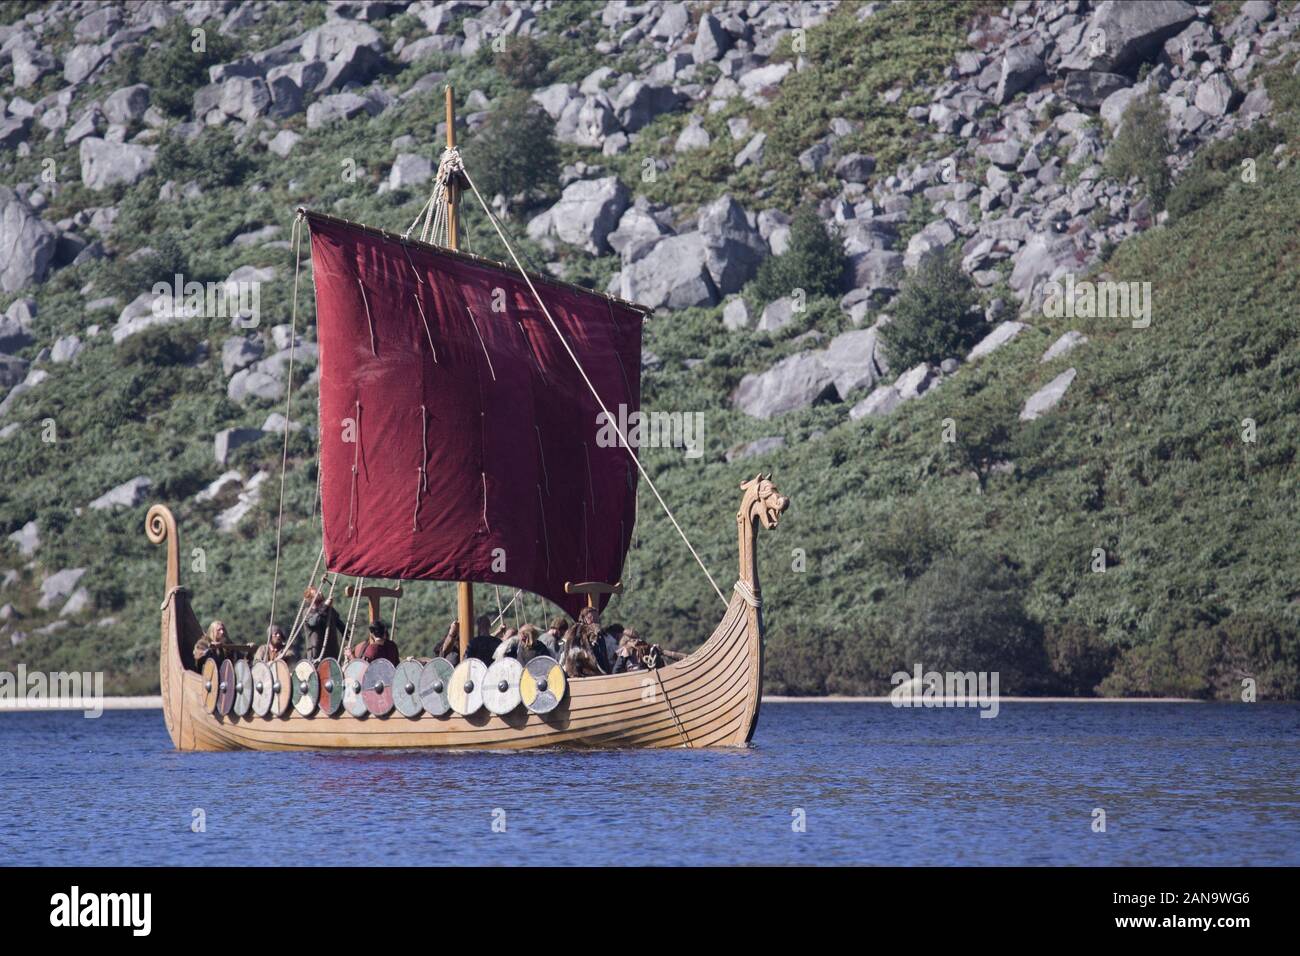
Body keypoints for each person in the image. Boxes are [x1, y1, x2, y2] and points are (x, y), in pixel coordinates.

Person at [302, 586, 342, 661]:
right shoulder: (307, 612)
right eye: (317, 592)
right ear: (311, 599)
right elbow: (313, 622)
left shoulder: (329, 610)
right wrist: (325, 605)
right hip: (316, 654)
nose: (320, 593)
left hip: (332, 653)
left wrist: (345, 632)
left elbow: (337, 621)